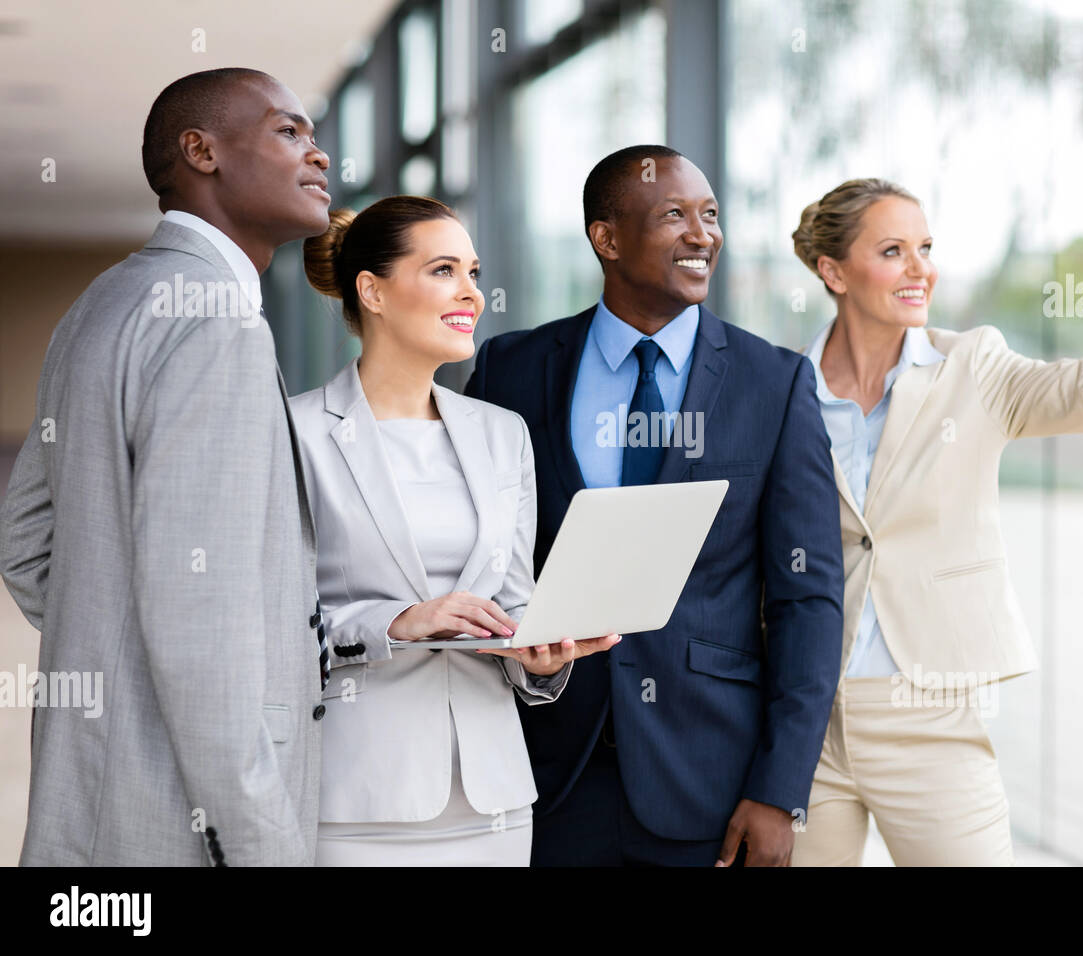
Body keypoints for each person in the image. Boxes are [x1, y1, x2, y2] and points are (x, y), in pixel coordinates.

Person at [787, 165, 1083, 866]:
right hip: (805, 726)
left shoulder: (973, 367)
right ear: (834, 270)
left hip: (931, 720)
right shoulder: (784, 386)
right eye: (892, 252)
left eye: (927, 248)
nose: (921, 269)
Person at [464, 145, 844, 867]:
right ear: (606, 238)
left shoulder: (775, 382)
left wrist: (780, 789)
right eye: (675, 215)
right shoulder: (510, 368)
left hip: (709, 781)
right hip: (543, 771)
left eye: (711, 216)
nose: (703, 235)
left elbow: (809, 600)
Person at [0, 68, 334, 865]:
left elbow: (23, 544)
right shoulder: (218, 322)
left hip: (91, 796)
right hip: (186, 816)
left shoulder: (102, 303)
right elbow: (198, 616)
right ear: (201, 151)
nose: (320, 156)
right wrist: (260, 842)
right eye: (289, 132)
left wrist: (115, 635)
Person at [292, 196, 619, 866]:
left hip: (492, 802)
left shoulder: (503, 434)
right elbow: (268, 627)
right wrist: (398, 621)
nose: (471, 291)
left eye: (473, 272)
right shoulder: (295, 435)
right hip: (357, 799)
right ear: (372, 291)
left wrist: (542, 656)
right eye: (444, 270)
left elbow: (515, 599)